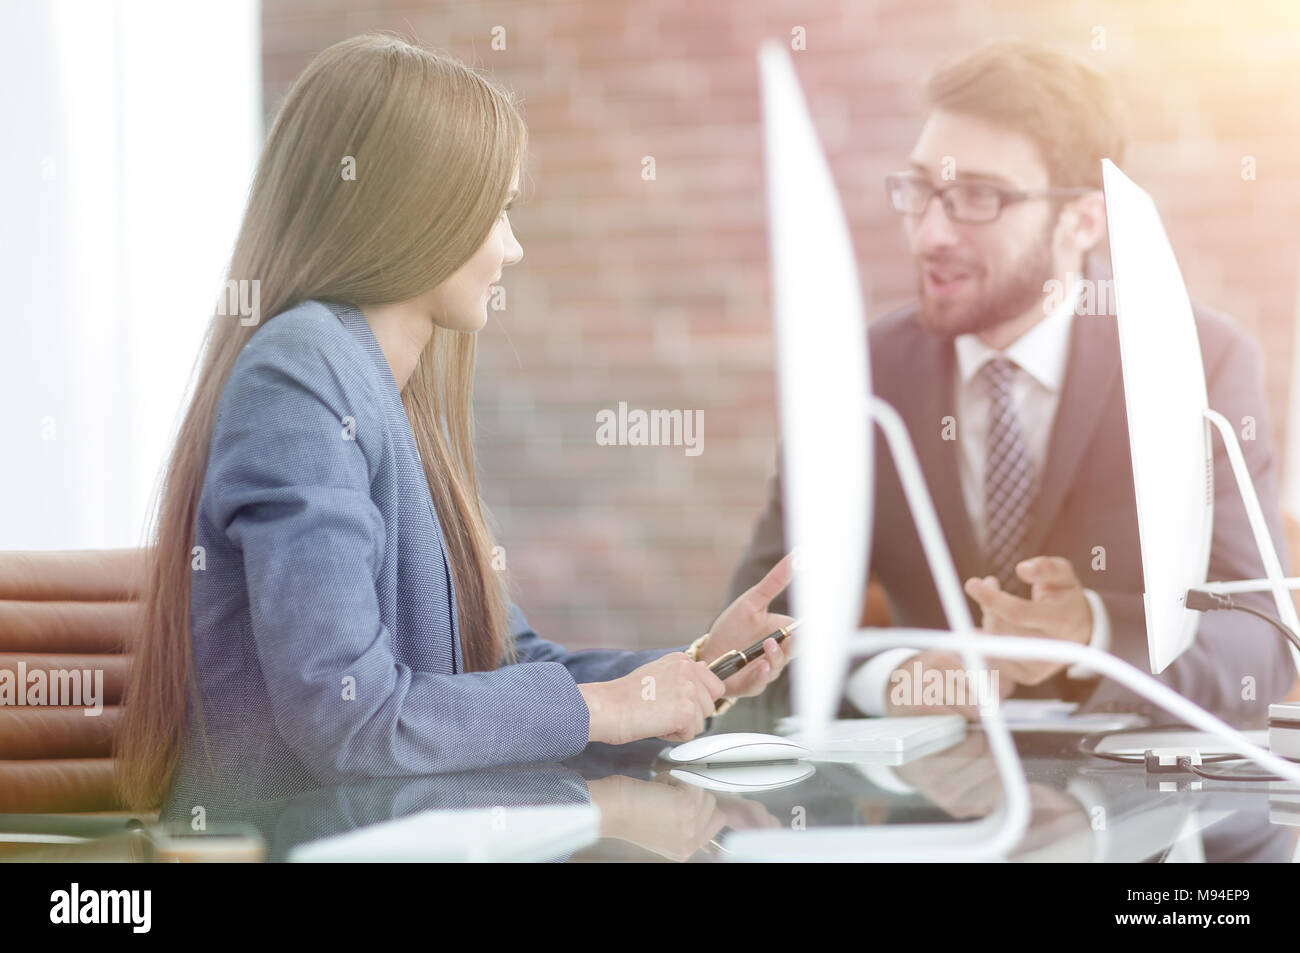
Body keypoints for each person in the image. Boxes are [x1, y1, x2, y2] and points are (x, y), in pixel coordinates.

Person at [117, 34, 795, 810]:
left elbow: (502, 659)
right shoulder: (300, 372)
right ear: (420, 208)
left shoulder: (391, 400)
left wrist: (696, 668)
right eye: (498, 210)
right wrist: (607, 707)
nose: (513, 249)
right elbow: (351, 717)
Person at [726, 40, 1293, 724]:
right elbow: (759, 631)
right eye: (921, 192)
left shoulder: (1201, 360)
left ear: (1083, 220)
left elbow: (1261, 642)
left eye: (977, 197)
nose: (930, 233)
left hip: (1147, 809)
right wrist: (896, 678)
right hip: (930, 808)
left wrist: (1093, 637)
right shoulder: (860, 376)